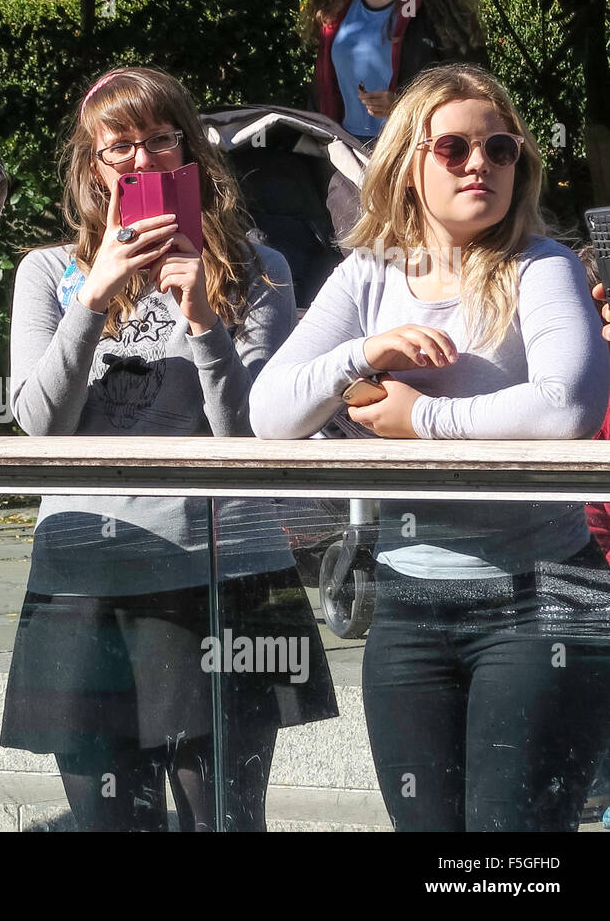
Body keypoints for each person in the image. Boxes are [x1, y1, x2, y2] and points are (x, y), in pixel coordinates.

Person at [251, 64, 610, 831]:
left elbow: (567, 409)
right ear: (409, 165)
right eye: (454, 148)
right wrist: (364, 353)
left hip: (550, 592)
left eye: (501, 149)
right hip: (411, 603)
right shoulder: (369, 276)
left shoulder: (541, 266)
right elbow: (271, 413)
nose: (480, 164)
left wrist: (421, 420)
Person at [0, 66, 338, 832]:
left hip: (220, 575)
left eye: (160, 141)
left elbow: (251, 436)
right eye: (120, 147)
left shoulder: (257, 270)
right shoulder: (49, 272)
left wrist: (200, 317)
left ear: (191, 153)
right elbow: (40, 427)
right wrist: (92, 300)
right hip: (86, 579)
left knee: (220, 821)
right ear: (93, 166)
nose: (143, 162)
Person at [301, 0, 487, 143]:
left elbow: (471, 88)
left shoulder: (438, 7)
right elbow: (322, 88)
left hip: (409, 152)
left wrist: (405, 106)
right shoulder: (338, 2)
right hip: (344, 150)